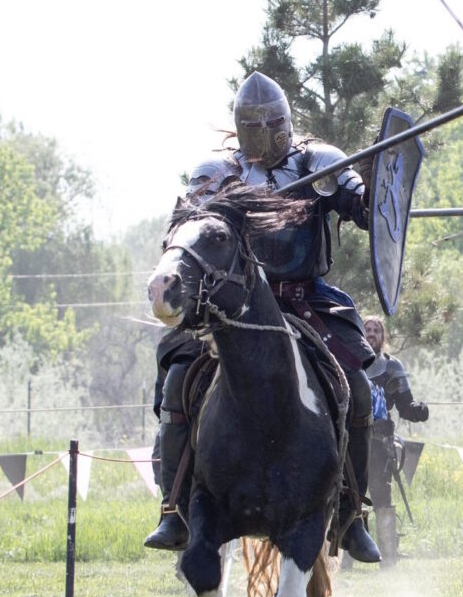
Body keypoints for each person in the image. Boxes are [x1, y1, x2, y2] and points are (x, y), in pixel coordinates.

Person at [144, 70, 382, 563]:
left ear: (285, 122)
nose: (263, 134)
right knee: (179, 379)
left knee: (357, 388)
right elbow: (187, 222)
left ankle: (351, 511)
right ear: (240, 128)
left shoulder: (320, 161)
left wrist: (372, 195)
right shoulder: (218, 171)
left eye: (270, 124)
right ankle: (176, 507)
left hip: (305, 298)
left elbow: (364, 209)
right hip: (233, 303)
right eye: (252, 126)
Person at [364, 315, 429, 566]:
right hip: (351, 442)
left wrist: (417, 410)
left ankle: (388, 557)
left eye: (376, 330)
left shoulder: (391, 367)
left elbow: (405, 405)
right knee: (349, 497)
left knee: (382, 496)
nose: (371, 333)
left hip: (380, 443)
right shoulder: (348, 362)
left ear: (383, 336)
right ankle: (346, 558)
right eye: (367, 329)